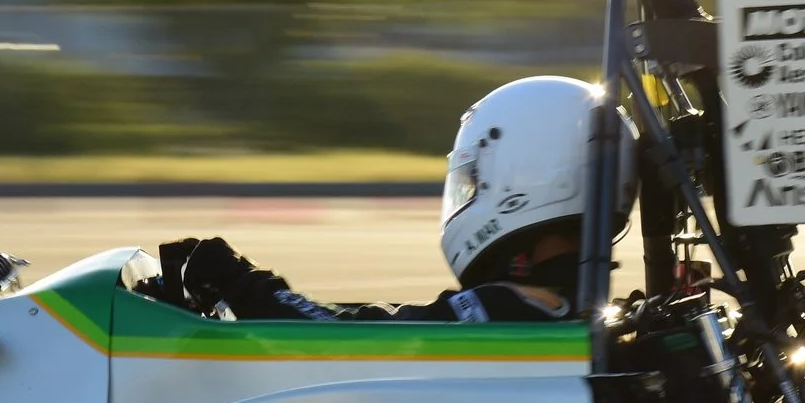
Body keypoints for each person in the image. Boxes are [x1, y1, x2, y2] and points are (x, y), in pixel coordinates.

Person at [142, 75, 622, 324]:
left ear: (532, 175)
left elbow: (353, 337)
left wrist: (242, 285)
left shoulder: (512, 310)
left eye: (473, 179)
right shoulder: (565, 306)